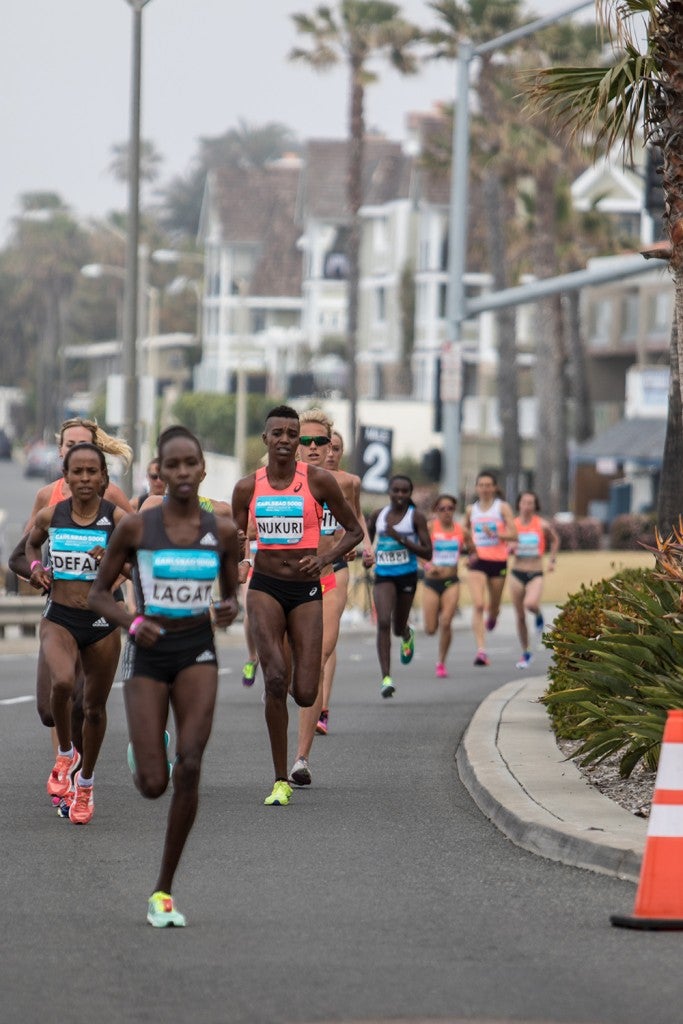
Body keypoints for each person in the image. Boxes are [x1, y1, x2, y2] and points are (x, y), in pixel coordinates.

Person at [88, 425, 239, 927]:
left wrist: (228, 607)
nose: (180, 473)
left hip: (197, 651)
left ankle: (164, 890)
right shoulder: (137, 529)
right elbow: (98, 594)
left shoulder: (222, 530)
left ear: (202, 469)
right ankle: (145, 753)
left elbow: (231, 588)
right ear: (160, 470)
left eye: (189, 464)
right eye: (170, 465)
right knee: (155, 784)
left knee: (191, 764)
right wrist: (132, 621)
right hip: (148, 656)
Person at [231, 405, 362, 806]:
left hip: (306, 589)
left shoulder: (319, 482)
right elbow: (237, 534)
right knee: (274, 682)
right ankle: (279, 777)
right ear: (266, 440)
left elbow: (354, 530)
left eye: (293, 433)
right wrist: (242, 560)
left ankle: (288, 680)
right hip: (265, 587)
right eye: (281, 433)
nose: (287, 440)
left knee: (304, 692)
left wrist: (324, 558)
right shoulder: (246, 487)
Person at [10, 417, 133, 793]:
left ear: (102, 474)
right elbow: (26, 548)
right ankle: (65, 756)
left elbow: (139, 557)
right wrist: (36, 569)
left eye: (90, 469)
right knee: (55, 700)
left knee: (89, 705)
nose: (83, 476)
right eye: (74, 464)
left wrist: (111, 565)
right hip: (60, 612)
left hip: (101, 615)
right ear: (62, 459)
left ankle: (82, 782)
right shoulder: (49, 503)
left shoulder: (115, 507)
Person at [316, 428, 374, 734]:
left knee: (327, 640)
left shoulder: (350, 482)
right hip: (304, 569)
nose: (330, 453)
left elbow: (358, 517)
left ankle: (322, 709)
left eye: (336, 448)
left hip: (337, 565)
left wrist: (366, 546)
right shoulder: (304, 481)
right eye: (327, 447)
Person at [365, 474, 432, 698]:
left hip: (407, 576)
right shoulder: (378, 515)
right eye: (396, 491)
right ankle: (386, 678)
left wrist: (401, 539)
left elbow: (428, 552)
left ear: (410, 494)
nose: (400, 495)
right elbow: (366, 543)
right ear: (389, 492)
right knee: (383, 621)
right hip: (384, 575)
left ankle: (406, 633)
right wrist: (366, 556)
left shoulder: (416, 518)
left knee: (397, 626)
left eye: (405, 491)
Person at [464, 470, 517, 667]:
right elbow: (465, 532)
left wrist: (496, 534)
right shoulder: (471, 510)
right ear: (477, 487)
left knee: (493, 606)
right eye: (481, 485)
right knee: (478, 605)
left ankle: (494, 615)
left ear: (494, 487)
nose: (485, 489)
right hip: (478, 560)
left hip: (498, 561)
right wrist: (469, 550)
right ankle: (481, 651)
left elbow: (514, 534)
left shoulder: (501, 508)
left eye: (488, 485)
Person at [509, 490, 560, 669]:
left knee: (530, 604)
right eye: (524, 502)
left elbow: (555, 540)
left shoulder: (542, 524)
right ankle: (526, 653)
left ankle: (538, 614)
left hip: (536, 572)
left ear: (535, 505)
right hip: (516, 572)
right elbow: (505, 544)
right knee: (520, 616)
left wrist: (552, 560)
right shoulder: (512, 525)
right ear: (519, 505)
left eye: (531, 503)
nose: (527, 506)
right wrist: (510, 547)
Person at [421, 493, 468, 679]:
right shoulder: (430, 527)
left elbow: (474, 551)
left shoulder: (461, 530)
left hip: (451, 581)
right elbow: (417, 550)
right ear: (436, 511)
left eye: (450, 508)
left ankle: (441, 662)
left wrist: (471, 561)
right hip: (431, 583)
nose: (447, 512)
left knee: (446, 621)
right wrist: (427, 565)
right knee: (431, 629)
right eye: (442, 509)